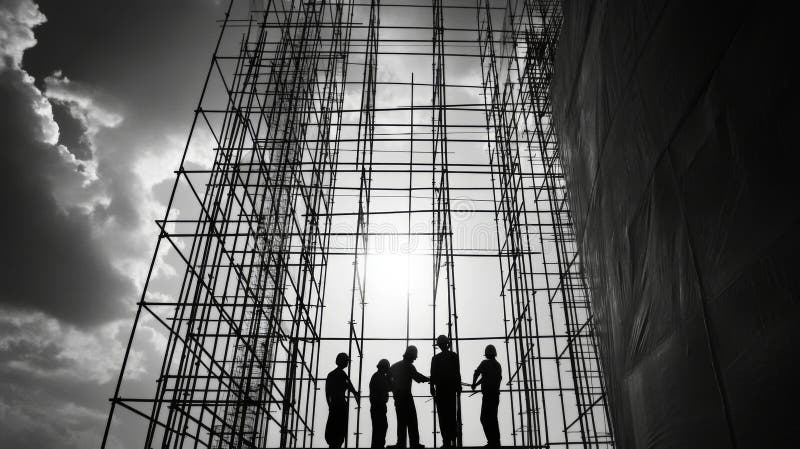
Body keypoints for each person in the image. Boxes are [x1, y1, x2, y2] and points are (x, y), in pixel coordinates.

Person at [388, 345, 430, 448]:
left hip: (398, 397)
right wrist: (429, 379)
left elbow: (388, 382)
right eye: (415, 356)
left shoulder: (394, 366)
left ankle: (401, 443)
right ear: (411, 355)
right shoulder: (409, 366)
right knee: (412, 421)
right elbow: (417, 377)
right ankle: (414, 443)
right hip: (406, 396)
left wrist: (394, 389)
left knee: (401, 421)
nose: (415, 358)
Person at [430, 335, 461, 447]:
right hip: (450, 389)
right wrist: (458, 387)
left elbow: (432, 375)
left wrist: (432, 388)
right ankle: (451, 439)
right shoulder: (453, 356)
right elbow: (457, 372)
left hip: (441, 390)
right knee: (451, 415)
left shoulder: (436, 358)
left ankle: (446, 441)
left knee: (443, 416)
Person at [326, 352, 360, 448]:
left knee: (333, 430)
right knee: (339, 430)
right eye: (346, 361)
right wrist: (356, 394)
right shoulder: (341, 374)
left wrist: (330, 405)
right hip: (340, 405)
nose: (347, 363)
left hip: (335, 405)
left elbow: (327, 393)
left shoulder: (331, 374)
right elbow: (349, 385)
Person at [472, 345, 501, 448]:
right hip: (495, 395)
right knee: (493, 418)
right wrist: (476, 384)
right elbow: (486, 377)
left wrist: (473, 383)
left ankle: (491, 441)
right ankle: (495, 442)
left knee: (484, 418)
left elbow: (477, 373)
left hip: (488, 395)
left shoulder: (485, 363)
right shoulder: (498, 365)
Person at [370, 359, 393, 448]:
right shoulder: (380, 377)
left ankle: (378, 445)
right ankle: (378, 446)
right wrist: (390, 378)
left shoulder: (377, 376)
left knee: (378, 428)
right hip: (378, 406)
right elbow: (389, 387)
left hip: (377, 406)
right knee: (381, 427)